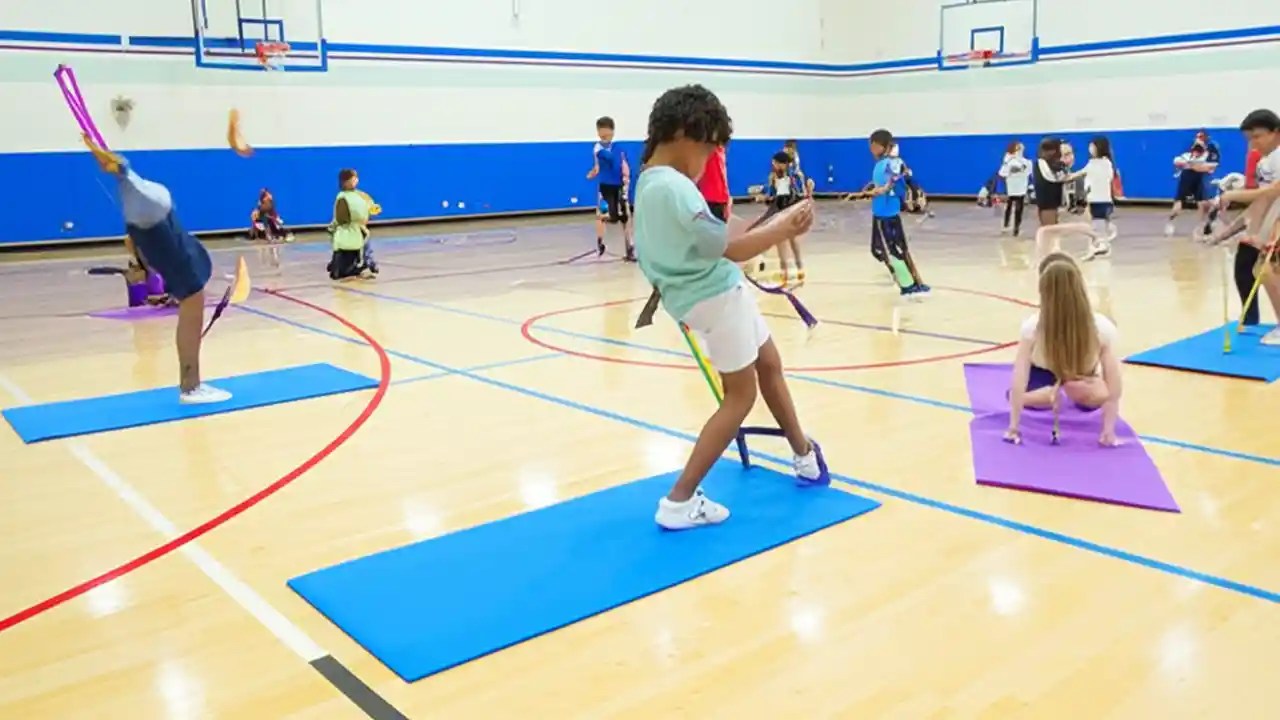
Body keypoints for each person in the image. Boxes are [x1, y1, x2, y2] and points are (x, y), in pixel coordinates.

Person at [632, 84, 829, 530]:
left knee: (770, 362)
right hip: (716, 298)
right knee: (740, 397)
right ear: (684, 134)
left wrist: (770, 222)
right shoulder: (675, 188)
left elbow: (715, 235)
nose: (708, 161)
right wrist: (784, 229)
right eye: (707, 149)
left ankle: (802, 453)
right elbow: (732, 250)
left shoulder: (649, 182)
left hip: (702, 298)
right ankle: (680, 500)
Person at [82, 134, 231, 404]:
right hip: (154, 219)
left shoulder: (138, 210)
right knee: (192, 300)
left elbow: (138, 242)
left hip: (151, 220)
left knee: (192, 298)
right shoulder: (145, 206)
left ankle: (191, 384)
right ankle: (191, 386)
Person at [1006, 252, 1122, 447]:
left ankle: (1052, 394)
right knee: (1097, 393)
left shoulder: (1032, 327)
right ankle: (1062, 393)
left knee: (1013, 394)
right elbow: (1114, 386)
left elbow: (1019, 376)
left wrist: (1013, 427)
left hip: (1059, 378)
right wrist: (1108, 431)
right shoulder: (1102, 327)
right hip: (1076, 379)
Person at [1207, 109, 1280, 346]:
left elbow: (1273, 191)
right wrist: (1232, 233)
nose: (1254, 144)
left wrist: (1234, 194)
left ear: (1275, 133)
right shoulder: (1266, 162)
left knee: (1267, 270)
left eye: (1258, 137)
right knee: (1263, 268)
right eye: (1250, 139)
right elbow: (1262, 202)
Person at [866, 129, 929, 297]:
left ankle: (908, 285)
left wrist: (883, 189)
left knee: (888, 251)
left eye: (874, 146)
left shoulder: (891, 163)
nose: (871, 149)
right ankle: (916, 283)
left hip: (885, 215)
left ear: (883, 146)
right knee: (894, 249)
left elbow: (895, 180)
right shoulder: (882, 164)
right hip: (883, 212)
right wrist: (870, 189)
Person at [587, 116, 635, 261]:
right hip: (605, 187)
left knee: (625, 217)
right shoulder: (597, 148)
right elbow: (597, 166)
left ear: (612, 131)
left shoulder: (618, 149)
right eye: (600, 131)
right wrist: (593, 173)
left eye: (606, 131)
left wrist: (627, 178)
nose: (603, 134)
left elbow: (622, 164)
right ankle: (600, 243)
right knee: (602, 215)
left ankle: (630, 248)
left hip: (619, 187)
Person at [761, 151, 808, 287]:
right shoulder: (773, 178)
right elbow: (770, 195)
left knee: (794, 243)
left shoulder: (795, 177)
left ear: (784, 164)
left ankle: (800, 272)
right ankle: (784, 277)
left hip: (792, 212)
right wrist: (764, 198)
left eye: (776, 163)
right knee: (780, 244)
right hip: (778, 213)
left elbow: (801, 194)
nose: (774, 166)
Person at [1165, 130, 1220, 236]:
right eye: (1197, 139)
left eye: (1201, 138)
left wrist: (1194, 166)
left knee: (1203, 203)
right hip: (1187, 179)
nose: (1196, 151)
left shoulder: (1209, 154)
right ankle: (1170, 222)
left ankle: (1200, 227)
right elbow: (1176, 161)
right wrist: (1190, 165)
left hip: (1199, 179)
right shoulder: (1186, 156)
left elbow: (1210, 167)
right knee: (1179, 204)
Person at [328, 168, 373, 281]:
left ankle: (363, 266)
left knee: (360, 249)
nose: (356, 181)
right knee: (346, 251)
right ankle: (344, 269)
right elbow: (341, 217)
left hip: (358, 230)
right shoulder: (343, 197)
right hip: (347, 232)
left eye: (356, 179)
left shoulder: (359, 195)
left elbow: (369, 207)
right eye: (353, 179)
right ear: (345, 181)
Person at [1032, 137, 1085, 228]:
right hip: (1047, 201)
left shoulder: (1051, 163)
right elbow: (1053, 178)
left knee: (1051, 228)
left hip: (1052, 201)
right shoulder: (1042, 163)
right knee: (1049, 229)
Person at [1081, 136, 1118, 261]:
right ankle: (1096, 247)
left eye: (1092, 146)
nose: (1090, 149)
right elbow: (1083, 173)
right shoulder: (1093, 163)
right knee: (1096, 224)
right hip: (1093, 198)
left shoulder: (1105, 163)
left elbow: (1104, 179)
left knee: (1097, 224)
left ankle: (1102, 245)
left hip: (1100, 199)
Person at [1000, 141, 1031, 236]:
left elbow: (1028, 172)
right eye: (1018, 148)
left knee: (1019, 207)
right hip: (1012, 187)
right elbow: (1002, 172)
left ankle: (1016, 228)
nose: (1020, 151)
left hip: (1021, 186)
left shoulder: (1025, 161)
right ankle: (1006, 225)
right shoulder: (1008, 160)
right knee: (1009, 206)